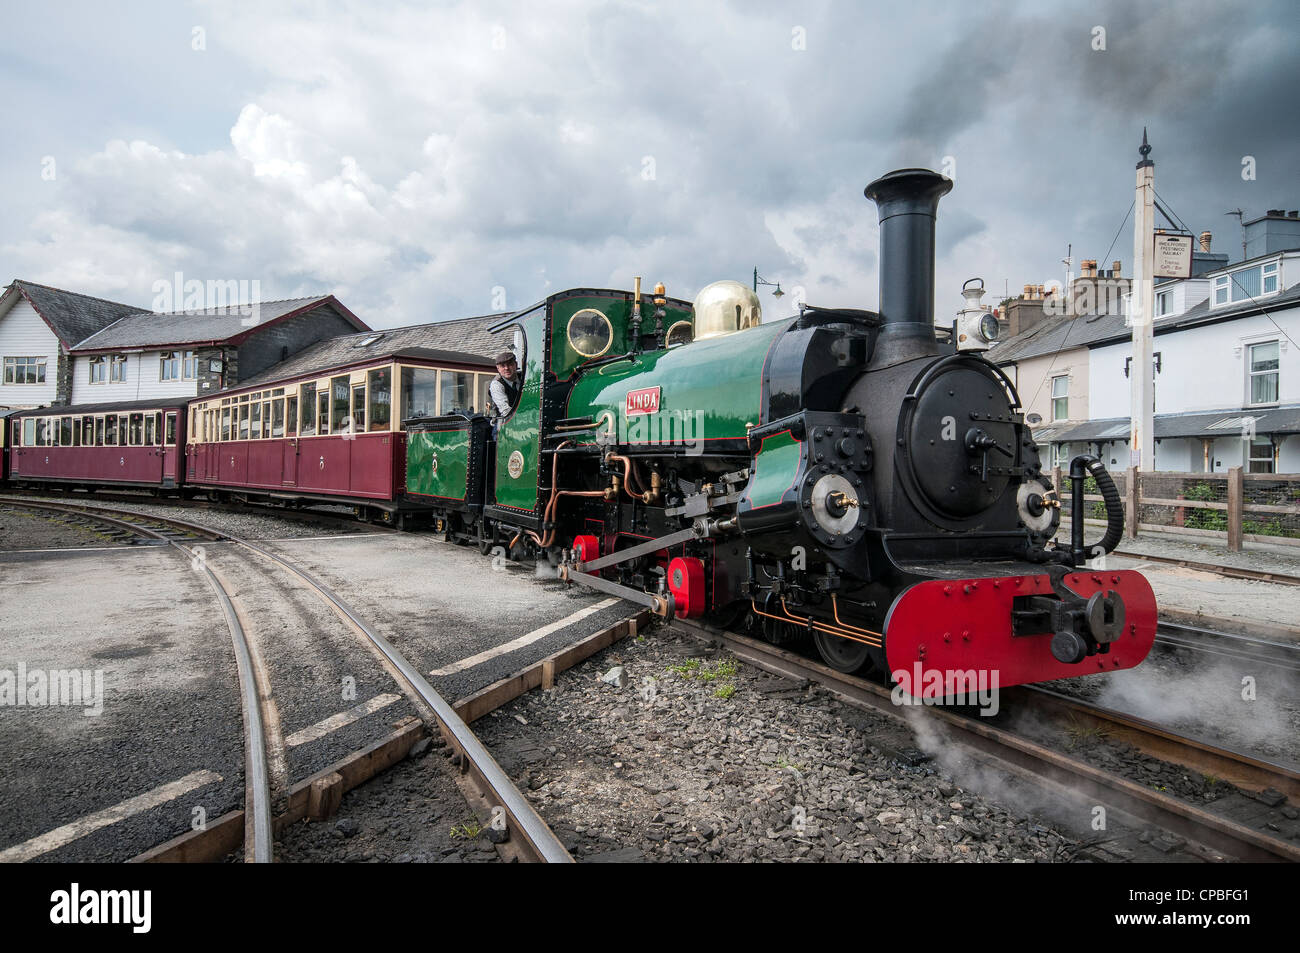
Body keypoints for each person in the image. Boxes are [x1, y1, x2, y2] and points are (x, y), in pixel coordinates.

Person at [488, 350, 521, 419]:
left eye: (510, 364)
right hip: (503, 422)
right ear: (498, 368)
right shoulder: (496, 384)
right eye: (503, 366)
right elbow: (506, 411)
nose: (506, 368)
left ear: (516, 365)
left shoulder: (525, 377)